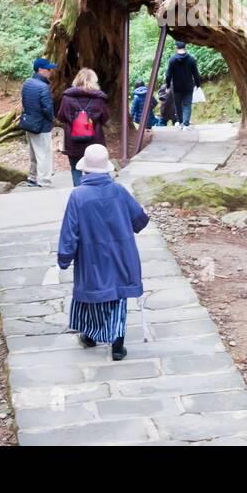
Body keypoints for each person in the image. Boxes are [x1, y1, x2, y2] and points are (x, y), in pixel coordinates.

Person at [56, 144, 148, 361]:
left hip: (91, 257)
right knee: (118, 297)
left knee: (90, 295)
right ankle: (117, 346)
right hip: (122, 255)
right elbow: (140, 221)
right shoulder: (119, 191)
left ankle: (89, 336)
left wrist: (64, 258)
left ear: (84, 170)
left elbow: (69, 232)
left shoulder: (78, 196)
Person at [56, 68, 109, 186]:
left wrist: (74, 121)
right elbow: (105, 117)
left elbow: (61, 116)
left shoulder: (67, 97)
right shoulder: (99, 99)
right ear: (93, 81)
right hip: (95, 139)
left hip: (73, 140)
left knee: (75, 168)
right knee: (95, 169)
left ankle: (79, 193)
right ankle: (95, 193)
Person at [19, 57, 56, 187]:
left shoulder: (27, 83)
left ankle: (32, 177)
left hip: (28, 123)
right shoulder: (43, 87)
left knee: (34, 153)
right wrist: (52, 119)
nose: (50, 71)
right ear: (40, 69)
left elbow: (24, 101)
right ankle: (44, 181)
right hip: (42, 125)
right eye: (48, 69)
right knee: (44, 154)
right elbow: (47, 108)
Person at [165, 40, 201, 127]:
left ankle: (181, 123)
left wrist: (168, 85)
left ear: (176, 47)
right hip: (188, 86)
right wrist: (198, 84)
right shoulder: (191, 59)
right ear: (185, 47)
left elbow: (168, 75)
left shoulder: (172, 60)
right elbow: (196, 73)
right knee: (187, 105)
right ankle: (185, 123)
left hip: (176, 87)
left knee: (178, 106)